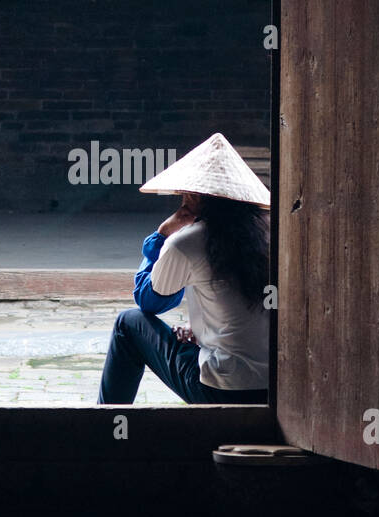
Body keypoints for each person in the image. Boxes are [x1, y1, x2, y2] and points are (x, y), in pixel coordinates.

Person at [98, 133, 271, 405]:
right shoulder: (271, 234)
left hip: (222, 388)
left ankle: (104, 427)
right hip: (276, 385)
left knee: (128, 324)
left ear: (192, 195)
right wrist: (201, 329)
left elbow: (151, 301)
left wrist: (162, 235)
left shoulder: (185, 243)